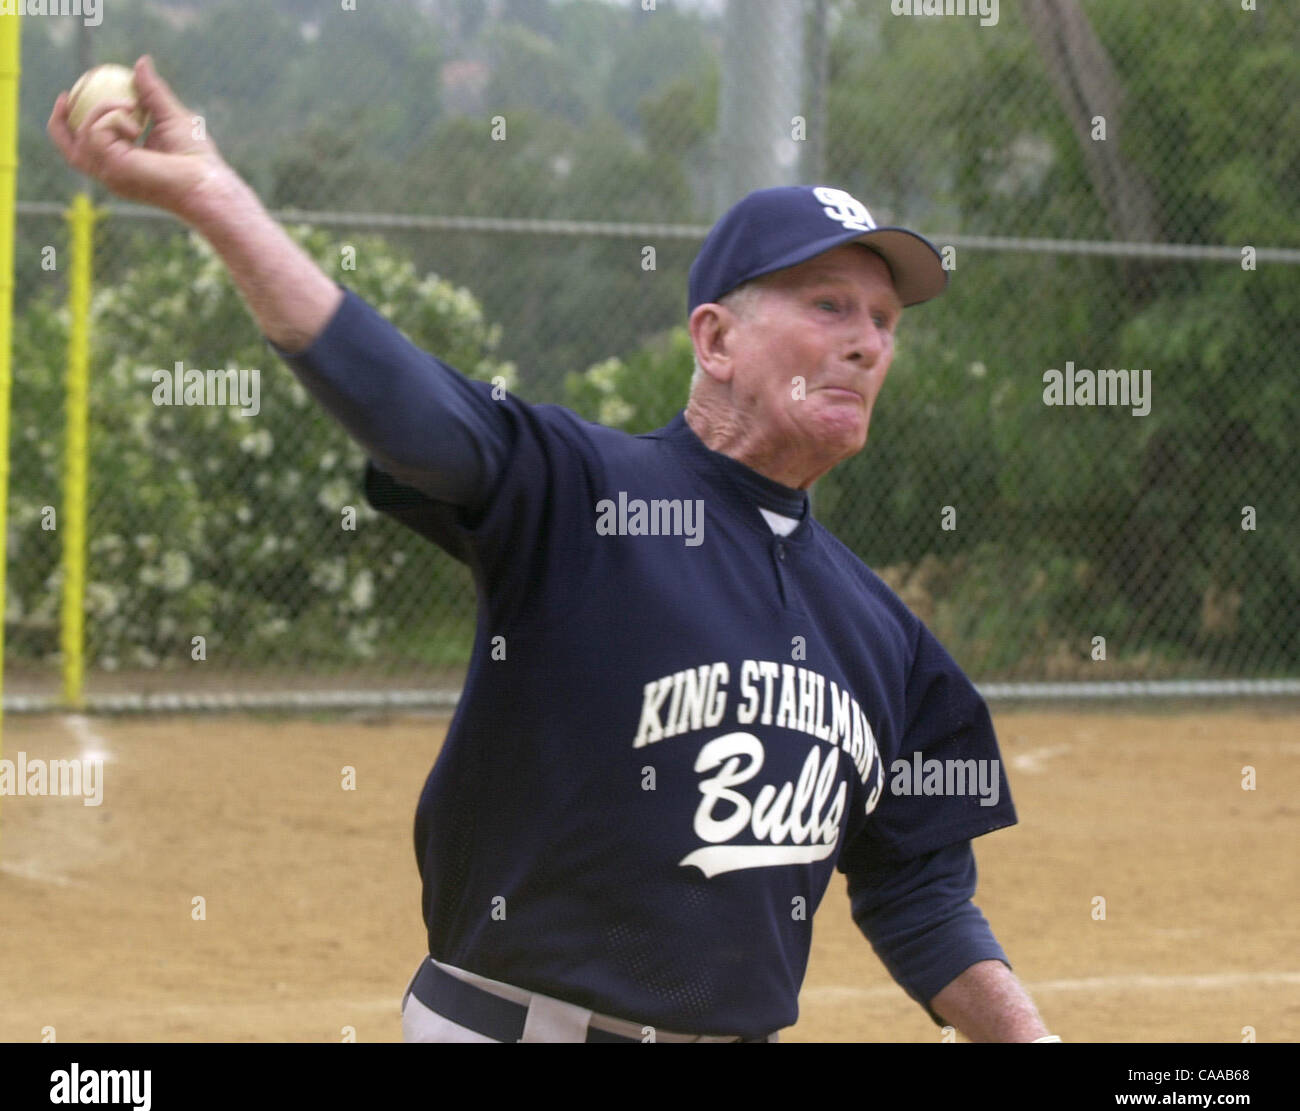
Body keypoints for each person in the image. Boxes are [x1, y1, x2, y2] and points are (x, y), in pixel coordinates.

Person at [49, 57, 1057, 1044]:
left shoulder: (884, 638)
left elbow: (922, 890)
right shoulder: (583, 491)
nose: (867, 341)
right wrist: (216, 199)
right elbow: (401, 402)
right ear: (715, 341)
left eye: (883, 319)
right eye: (828, 304)